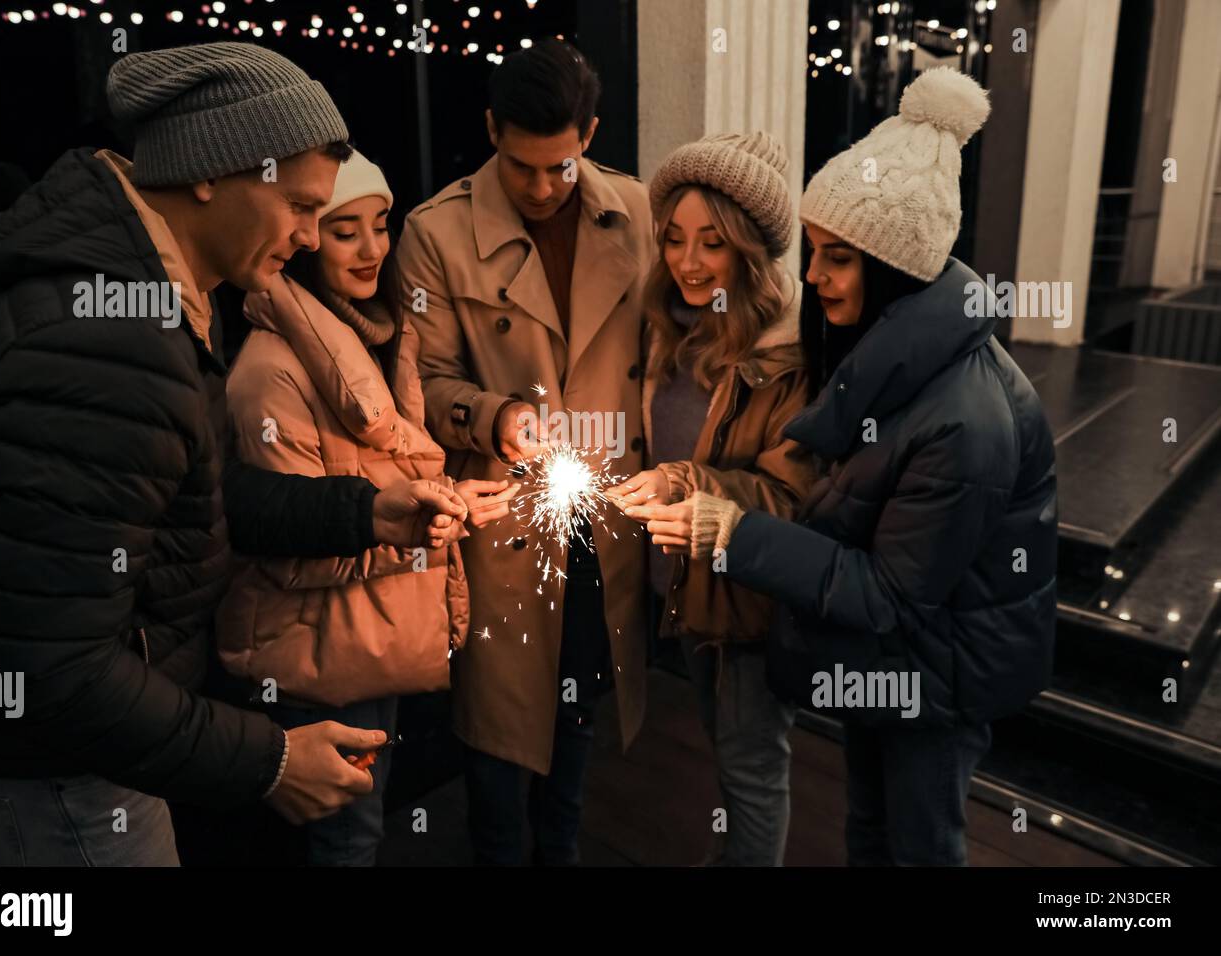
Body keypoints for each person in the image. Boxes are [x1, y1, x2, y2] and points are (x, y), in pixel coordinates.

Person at [0, 42, 464, 867]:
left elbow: (202, 491)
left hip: (100, 746)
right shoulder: (104, 338)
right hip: (55, 773)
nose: (314, 237)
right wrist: (267, 759)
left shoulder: (155, 299)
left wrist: (367, 510)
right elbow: (54, 668)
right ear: (213, 171)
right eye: (304, 207)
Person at [628, 69, 1057, 866]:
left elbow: (886, 588)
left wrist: (730, 527)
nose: (812, 277)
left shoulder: (966, 415)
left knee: (919, 845)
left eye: (834, 260)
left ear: (890, 268)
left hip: (942, 672)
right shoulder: (883, 361)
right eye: (815, 253)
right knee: (871, 832)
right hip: (896, 659)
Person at [217, 150, 514, 865]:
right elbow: (290, 546)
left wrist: (449, 504)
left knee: (362, 826)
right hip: (313, 655)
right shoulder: (270, 373)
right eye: (346, 230)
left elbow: (387, 482)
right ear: (305, 237)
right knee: (346, 839)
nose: (375, 248)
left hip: (373, 643)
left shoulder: (382, 342)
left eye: (381, 225)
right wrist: (420, 527)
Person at [398, 39, 651, 865]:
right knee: (499, 743)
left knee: (580, 709)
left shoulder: (638, 215)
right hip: (503, 525)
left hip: (603, 520)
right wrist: (495, 416)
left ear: (591, 133)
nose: (542, 188)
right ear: (490, 131)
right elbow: (423, 382)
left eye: (562, 166)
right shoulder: (434, 233)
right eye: (521, 167)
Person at [608, 132, 814, 866]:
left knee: (753, 770)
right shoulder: (669, 325)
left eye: (712, 244)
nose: (687, 262)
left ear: (751, 251)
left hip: (749, 598)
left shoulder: (791, 355)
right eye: (673, 239)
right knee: (725, 756)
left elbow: (791, 495)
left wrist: (683, 484)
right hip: (685, 588)